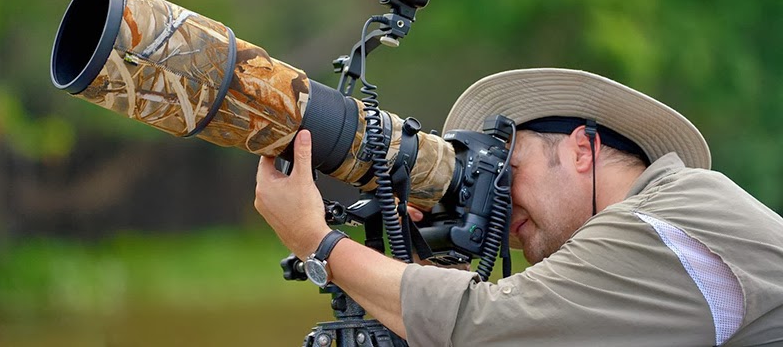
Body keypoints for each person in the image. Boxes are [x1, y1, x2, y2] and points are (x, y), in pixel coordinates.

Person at [254, 68, 783, 346]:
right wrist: (415, 264)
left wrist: (317, 240)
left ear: (582, 149)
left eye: (508, 169)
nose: (500, 206)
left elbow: (483, 328)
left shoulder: (662, 222)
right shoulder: (675, 218)